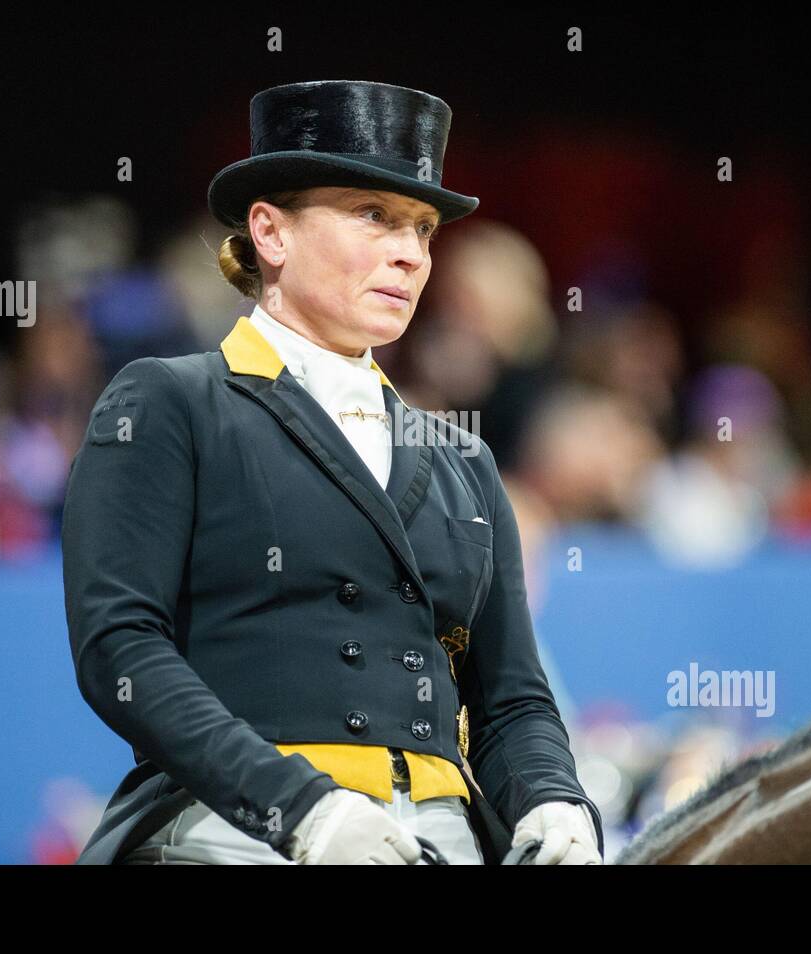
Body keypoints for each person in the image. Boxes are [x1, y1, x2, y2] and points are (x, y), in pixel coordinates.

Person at [63, 79, 603, 864]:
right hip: (236, 824)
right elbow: (119, 648)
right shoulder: (172, 402)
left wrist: (555, 799)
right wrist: (303, 811)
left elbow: (513, 699)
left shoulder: (467, 461)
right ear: (270, 232)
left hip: (442, 833)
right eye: (373, 215)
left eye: (422, 229)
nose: (410, 253)